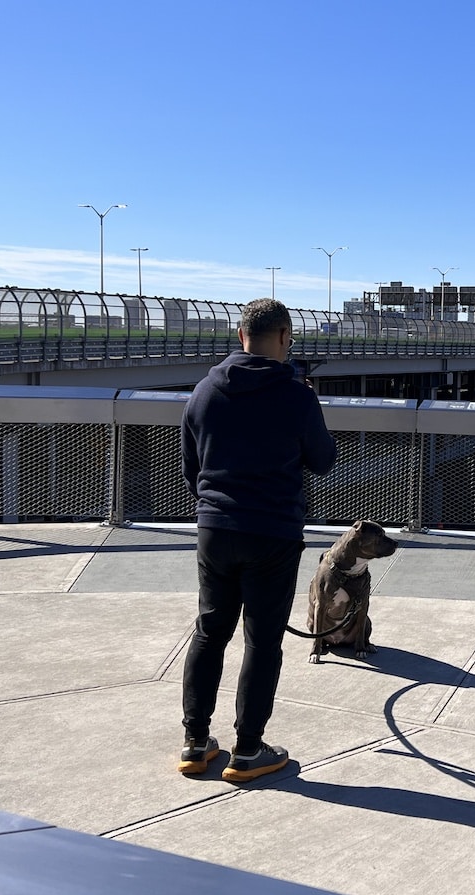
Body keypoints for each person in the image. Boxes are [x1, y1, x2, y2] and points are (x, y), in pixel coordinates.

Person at [178, 298, 337, 781]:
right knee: (262, 641)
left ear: (240, 335)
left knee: (210, 631)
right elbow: (324, 460)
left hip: (215, 529)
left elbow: (191, 470)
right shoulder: (296, 395)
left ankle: (195, 741)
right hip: (272, 533)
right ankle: (248, 749)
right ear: (285, 337)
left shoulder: (204, 391)